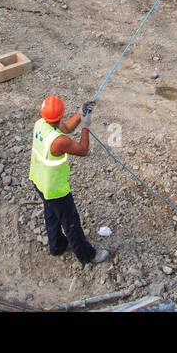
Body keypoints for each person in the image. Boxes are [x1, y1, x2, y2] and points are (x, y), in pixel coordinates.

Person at [29, 95, 110, 266]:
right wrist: (85, 127)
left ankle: (57, 246)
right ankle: (87, 255)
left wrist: (80, 114)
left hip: (40, 181)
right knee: (71, 222)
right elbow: (82, 150)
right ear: (59, 114)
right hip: (55, 189)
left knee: (51, 215)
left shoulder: (41, 124)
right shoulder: (58, 142)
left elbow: (64, 126)